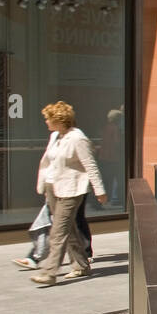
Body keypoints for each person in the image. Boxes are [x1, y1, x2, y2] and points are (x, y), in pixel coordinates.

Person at [31, 102, 107, 287]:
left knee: (58, 231)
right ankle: (81, 265)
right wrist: (42, 184)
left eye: (49, 119)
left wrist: (100, 190)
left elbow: (90, 165)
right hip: (53, 187)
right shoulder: (55, 136)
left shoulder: (77, 138)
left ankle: (49, 272)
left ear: (59, 120)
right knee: (69, 228)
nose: (46, 122)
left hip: (71, 189)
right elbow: (47, 162)